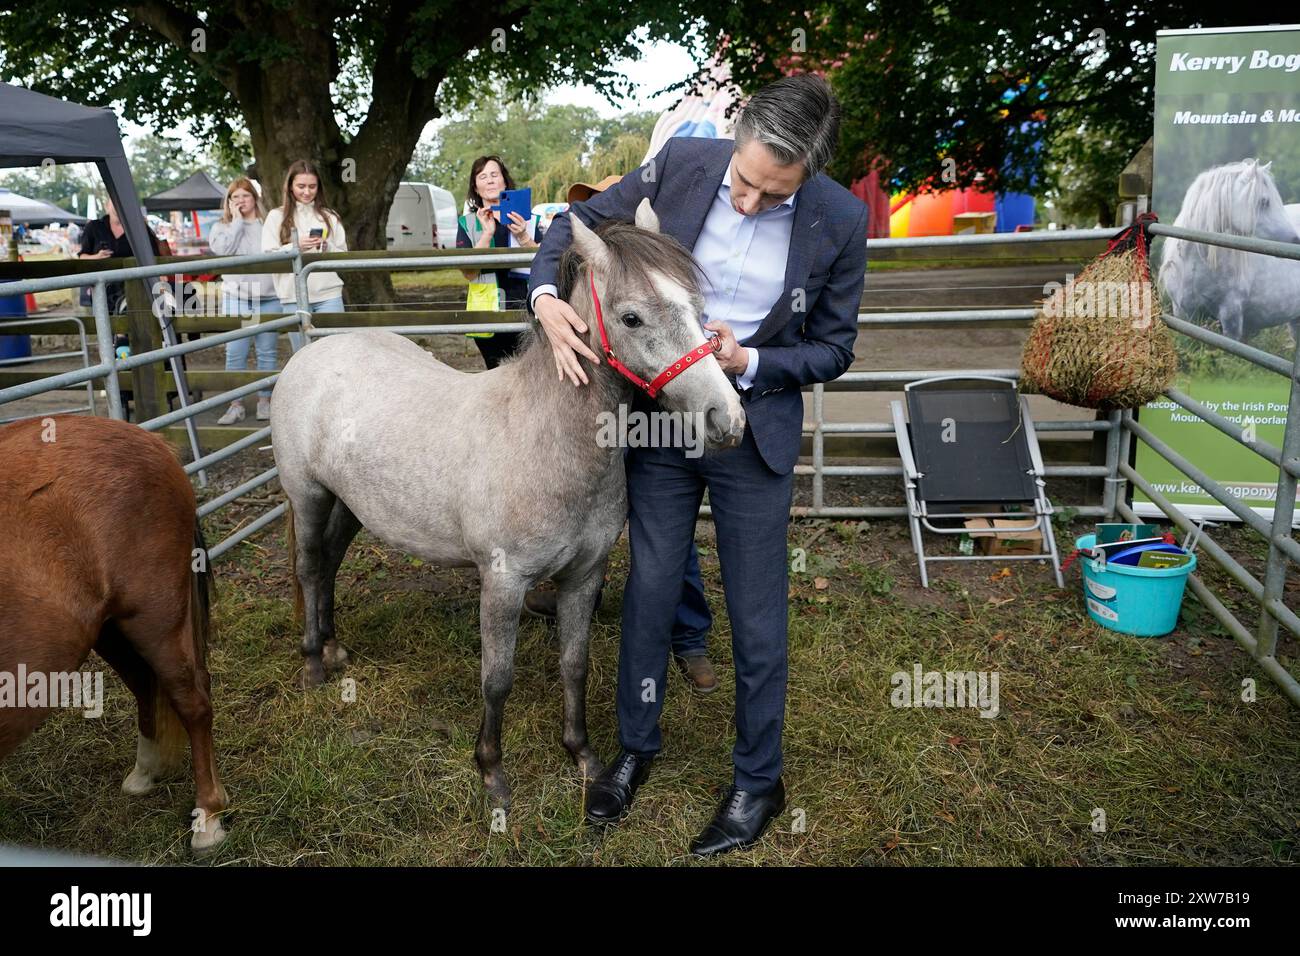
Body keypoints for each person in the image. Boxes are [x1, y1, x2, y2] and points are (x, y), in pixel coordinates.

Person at [528, 74, 867, 857]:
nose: (748, 202)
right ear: (736, 136)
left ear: (808, 175)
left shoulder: (841, 220)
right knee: (650, 588)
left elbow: (835, 348)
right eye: (744, 181)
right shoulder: (682, 161)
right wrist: (546, 294)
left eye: (772, 194)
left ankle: (758, 779)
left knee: (754, 613)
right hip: (661, 422)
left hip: (750, 426)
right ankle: (635, 747)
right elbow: (578, 220)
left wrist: (752, 358)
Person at [521, 174, 719, 698]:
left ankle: (689, 634)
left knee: (663, 522)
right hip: (597, 408)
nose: (602, 216)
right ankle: (576, 578)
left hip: (646, 406)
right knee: (587, 505)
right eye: (591, 207)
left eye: (605, 205)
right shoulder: (581, 265)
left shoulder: (639, 263)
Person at [455, 155, 540, 369]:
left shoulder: (528, 220)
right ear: (476, 187)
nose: (490, 180)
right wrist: (486, 234)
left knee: (530, 374)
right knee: (497, 375)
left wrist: (523, 237)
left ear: (504, 181)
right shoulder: (467, 223)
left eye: (495, 174)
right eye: (482, 176)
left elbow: (546, 262)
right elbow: (468, 272)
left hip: (527, 310)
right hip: (488, 314)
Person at [212, 178, 281, 424]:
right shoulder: (221, 227)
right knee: (235, 352)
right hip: (238, 297)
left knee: (267, 352)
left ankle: (265, 402)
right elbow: (222, 252)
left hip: (269, 297)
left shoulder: (268, 224)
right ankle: (236, 404)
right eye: (235, 197)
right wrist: (237, 223)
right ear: (229, 202)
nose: (241, 201)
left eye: (245, 196)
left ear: (255, 198)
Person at [262, 159, 348, 355]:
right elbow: (267, 256)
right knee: (302, 356)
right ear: (290, 187)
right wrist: (294, 247)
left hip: (329, 294)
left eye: (312, 186)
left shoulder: (329, 217)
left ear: (319, 187)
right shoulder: (276, 217)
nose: (307, 192)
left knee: (337, 353)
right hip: (293, 296)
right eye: (301, 186)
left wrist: (327, 247)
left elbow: (344, 256)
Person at [78, 198, 162, 314]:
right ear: (107, 206)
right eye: (114, 202)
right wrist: (97, 257)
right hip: (102, 287)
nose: (117, 206)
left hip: (135, 287)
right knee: (106, 324)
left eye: (121, 202)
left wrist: (160, 276)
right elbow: (82, 257)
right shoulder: (93, 227)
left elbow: (155, 256)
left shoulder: (139, 229)